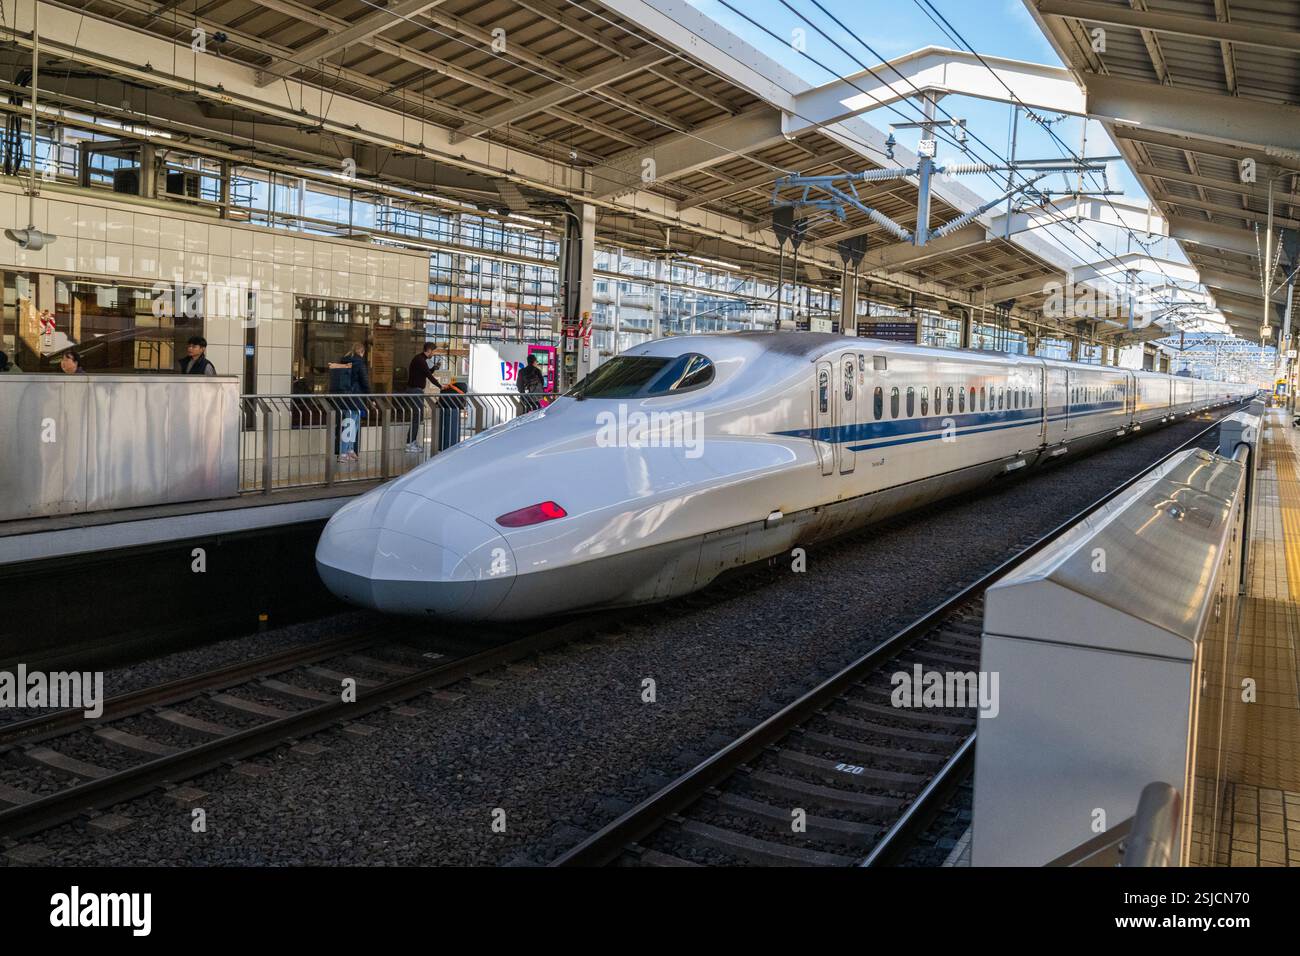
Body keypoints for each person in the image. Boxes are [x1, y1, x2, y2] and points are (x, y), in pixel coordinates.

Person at [328, 343, 370, 462]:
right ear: (361, 352)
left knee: (351, 424)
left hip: (343, 397)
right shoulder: (359, 362)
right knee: (351, 425)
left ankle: (350, 450)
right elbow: (365, 381)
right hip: (354, 397)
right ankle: (343, 453)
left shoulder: (343, 361)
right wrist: (370, 396)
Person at [404, 342, 441, 453]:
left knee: (418, 416)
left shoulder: (420, 360)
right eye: (433, 352)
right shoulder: (420, 360)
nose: (433, 354)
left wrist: (434, 368)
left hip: (416, 390)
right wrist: (440, 386)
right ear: (429, 350)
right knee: (417, 416)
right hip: (415, 391)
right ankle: (410, 444)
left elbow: (426, 373)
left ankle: (412, 441)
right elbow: (429, 376)